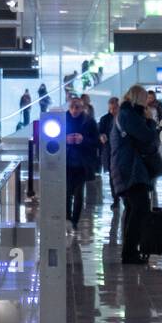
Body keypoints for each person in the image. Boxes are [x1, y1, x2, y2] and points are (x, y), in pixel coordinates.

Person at [111, 85, 162, 265]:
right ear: (138, 99)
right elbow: (149, 138)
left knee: (134, 208)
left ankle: (129, 252)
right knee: (140, 207)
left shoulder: (127, 114)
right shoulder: (129, 115)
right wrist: (150, 122)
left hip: (128, 168)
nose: (146, 102)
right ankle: (129, 253)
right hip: (130, 170)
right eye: (144, 98)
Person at [64, 95, 100, 232]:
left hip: (82, 164)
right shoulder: (62, 120)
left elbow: (96, 142)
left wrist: (82, 140)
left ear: (83, 108)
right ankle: (67, 219)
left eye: (77, 107)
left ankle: (74, 221)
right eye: (72, 107)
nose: (74, 110)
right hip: (67, 163)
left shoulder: (89, 121)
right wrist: (65, 140)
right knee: (66, 193)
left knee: (79, 193)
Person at [97, 96, 120, 209]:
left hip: (120, 151)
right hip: (109, 151)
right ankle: (115, 198)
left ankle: (120, 196)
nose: (112, 111)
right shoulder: (105, 119)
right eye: (111, 108)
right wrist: (101, 136)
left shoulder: (122, 118)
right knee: (112, 176)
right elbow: (100, 132)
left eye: (115, 108)